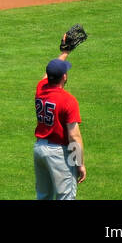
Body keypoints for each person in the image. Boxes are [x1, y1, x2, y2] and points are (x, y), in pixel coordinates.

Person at [34, 45, 87, 200]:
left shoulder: (40, 89)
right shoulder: (68, 101)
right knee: (66, 197)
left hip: (39, 149)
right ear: (64, 77)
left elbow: (46, 75)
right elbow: (74, 137)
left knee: (43, 197)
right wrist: (79, 164)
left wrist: (65, 53)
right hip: (58, 153)